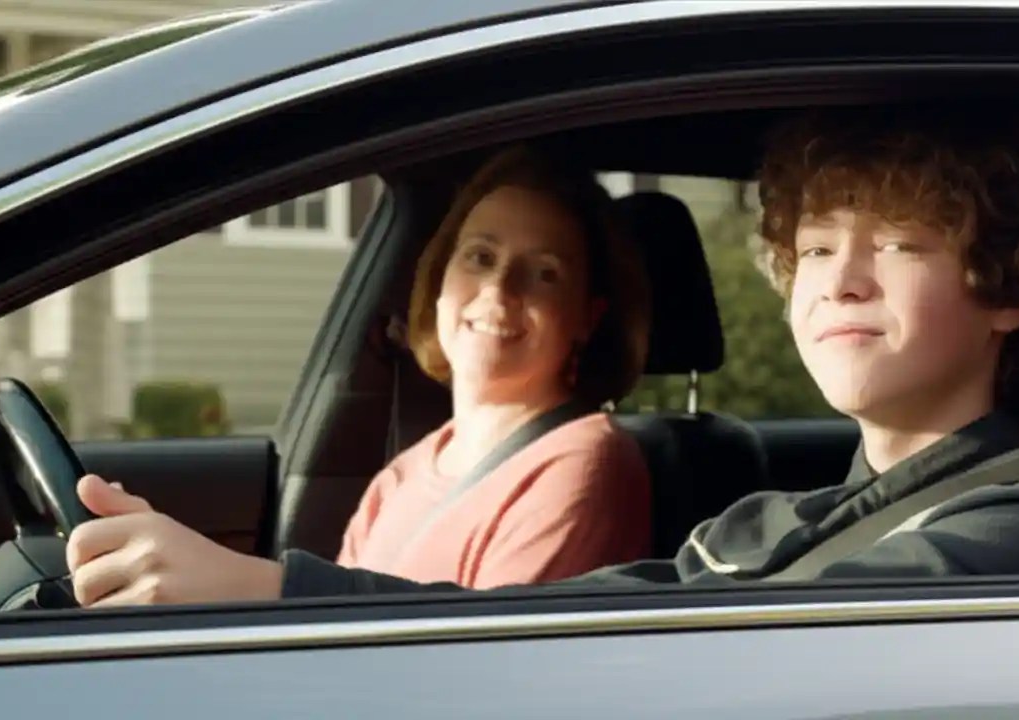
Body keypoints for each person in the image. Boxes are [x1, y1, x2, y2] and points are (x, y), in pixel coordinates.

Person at [65, 107, 1019, 607]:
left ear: (1011, 288)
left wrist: (264, 593)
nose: (838, 282)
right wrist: (260, 587)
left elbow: (710, 661)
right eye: (812, 249)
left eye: (897, 245)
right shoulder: (762, 527)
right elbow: (533, 626)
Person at [63, 145, 655, 605]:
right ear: (441, 280)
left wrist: (240, 583)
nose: (499, 289)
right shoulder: (402, 475)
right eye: (480, 256)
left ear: (587, 317)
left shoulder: (584, 461)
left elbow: (493, 671)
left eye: (544, 273)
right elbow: (340, 650)